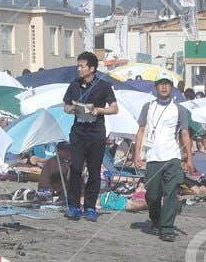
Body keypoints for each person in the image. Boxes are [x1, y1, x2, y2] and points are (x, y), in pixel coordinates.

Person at [132, 76, 196, 242]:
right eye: (161, 84)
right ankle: (156, 219)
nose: (164, 87)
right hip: (153, 157)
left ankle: (167, 227)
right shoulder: (148, 107)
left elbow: (184, 133)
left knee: (171, 192)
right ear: (156, 87)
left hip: (172, 156)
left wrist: (189, 158)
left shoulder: (179, 109)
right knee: (152, 195)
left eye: (167, 84)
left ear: (172, 88)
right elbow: (140, 130)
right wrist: (136, 154)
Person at [61, 51, 119, 221]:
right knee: (76, 168)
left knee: (94, 171)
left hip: (96, 132)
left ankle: (90, 207)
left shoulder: (104, 86)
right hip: (78, 131)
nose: (79, 69)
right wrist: (73, 108)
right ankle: (73, 206)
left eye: (82, 66)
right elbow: (65, 106)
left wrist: (98, 110)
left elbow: (114, 108)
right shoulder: (74, 85)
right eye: (77, 66)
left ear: (92, 68)